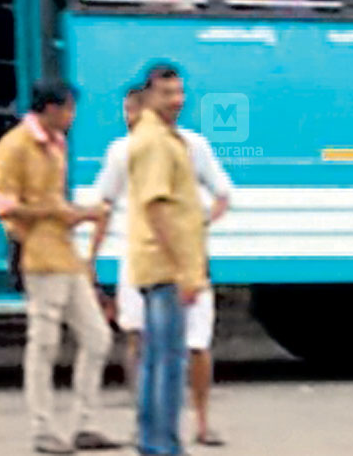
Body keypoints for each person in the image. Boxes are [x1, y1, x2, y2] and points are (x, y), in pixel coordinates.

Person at [91, 86, 232, 447]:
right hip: (165, 263)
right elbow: (120, 205)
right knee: (158, 353)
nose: (129, 116)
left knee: (179, 348)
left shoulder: (187, 145)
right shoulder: (137, 147)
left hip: (163, 259)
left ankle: (187, 425)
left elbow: (221, 194)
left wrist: (196, 228)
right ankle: (158, 437)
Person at [0, 79, 120, 454]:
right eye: (68, 109)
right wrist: (56, 213)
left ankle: (85, 423)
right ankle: (43, 429)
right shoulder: (14, 147)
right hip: (39, 257)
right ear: (50, 109)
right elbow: (4, 205)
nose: (72, 117)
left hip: (64, 254)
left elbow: (51, 204)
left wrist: (73, 216)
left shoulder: (56, 145)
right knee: (43, 345)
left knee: (97, 337)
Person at [129, 64, 208, 456]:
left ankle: (152, 440)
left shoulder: (158, 137)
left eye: (179, 92)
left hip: (157, 264)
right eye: (166, 93)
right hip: (165, 268)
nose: (176, 100)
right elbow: (157, 207)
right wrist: (182, 268)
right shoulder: (156, 142)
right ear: (148, 97)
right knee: (168, 363)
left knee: (155, 358)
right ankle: (163, 445)